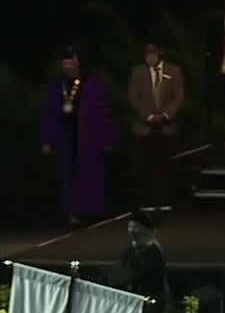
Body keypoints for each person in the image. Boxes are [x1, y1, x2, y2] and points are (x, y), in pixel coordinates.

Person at [39, 46, 115, 228]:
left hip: (88, 137)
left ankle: (91, 212)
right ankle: (71, 214)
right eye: (65, 62)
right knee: (67, 176)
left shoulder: (92, 83)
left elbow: (103, 112)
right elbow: (49, 113)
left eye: (71, 61)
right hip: (65, 136)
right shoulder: (57, 85)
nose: (68, 66)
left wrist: (107, 138)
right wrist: (47, 139)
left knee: (89, 174)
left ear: (78, 62)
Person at [127, 42, 185, 212]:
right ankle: (147, 201)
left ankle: (164, 200)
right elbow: (133, 97)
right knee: (146, 165)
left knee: (164, 165)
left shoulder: (174, 71)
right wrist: (149, 116)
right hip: (145, 127)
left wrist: (166, 115)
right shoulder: (137, 72)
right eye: (147, 53)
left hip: (167, 127)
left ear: (160, 53)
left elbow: (179, 96)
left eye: (153, 53)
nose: (150, 56)